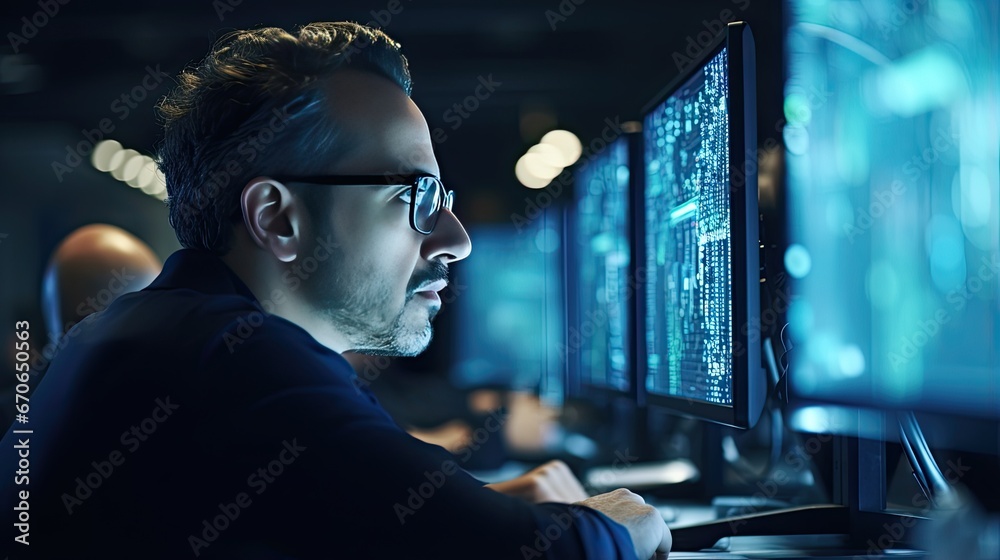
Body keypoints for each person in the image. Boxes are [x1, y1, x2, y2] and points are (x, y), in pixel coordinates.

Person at [0, 22, 670, 559]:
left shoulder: (165, 333)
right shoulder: (237, 358)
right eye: (418, 196)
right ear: (278, 219)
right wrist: (616, 527)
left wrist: (469, 506)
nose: (457, 238)